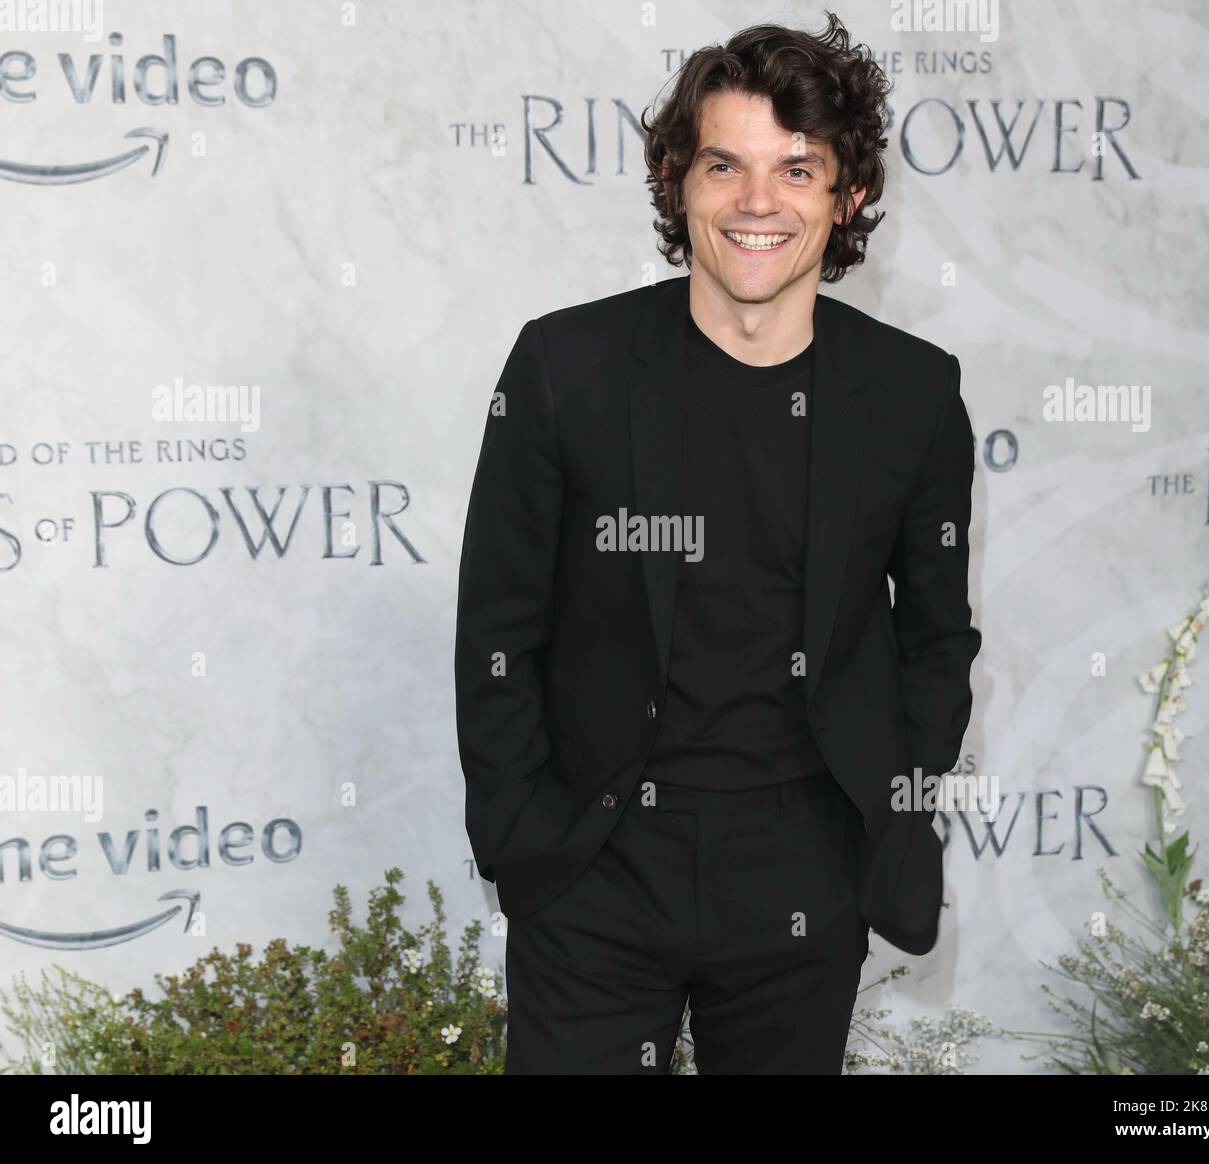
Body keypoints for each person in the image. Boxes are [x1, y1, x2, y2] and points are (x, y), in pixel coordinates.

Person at [454, 12, 981, 1074]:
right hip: (595, 869)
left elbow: (934, 643)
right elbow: (499, 630)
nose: (757, 202)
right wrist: (523, 836)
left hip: (802, 875)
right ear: (675, 183)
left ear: (849, 199)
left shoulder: (914, 395)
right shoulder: (568, 370)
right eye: (723, 166)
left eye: (797, 169)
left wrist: (887, 826)